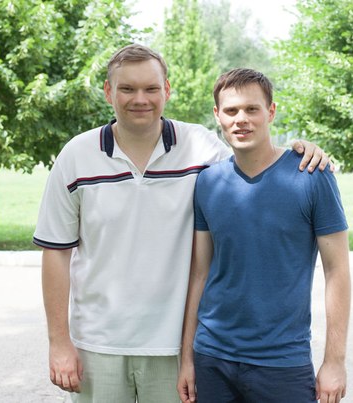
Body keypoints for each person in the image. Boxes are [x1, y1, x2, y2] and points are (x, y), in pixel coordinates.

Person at [33, 44, 331, 403]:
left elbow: (253, 156)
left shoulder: (201, 148)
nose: (140, 99)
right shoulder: (76, 156)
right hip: (97, 346)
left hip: (174, 348)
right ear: (109, 92)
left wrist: (303, 150)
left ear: (167, 90)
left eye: (151, 88)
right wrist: (58, 342)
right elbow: (55, 253)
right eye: (127, 88)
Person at [177, 68, 351, 403]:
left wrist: (334, 361)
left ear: (270, 112)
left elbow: (337, 271)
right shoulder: (208, 182)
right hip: (212, 357)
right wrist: (187, 358)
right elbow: (200, 273)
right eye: (231, 110)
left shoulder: (311, 176)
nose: (241, 119)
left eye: (251, 109)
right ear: (217, 115)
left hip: (282, 362)